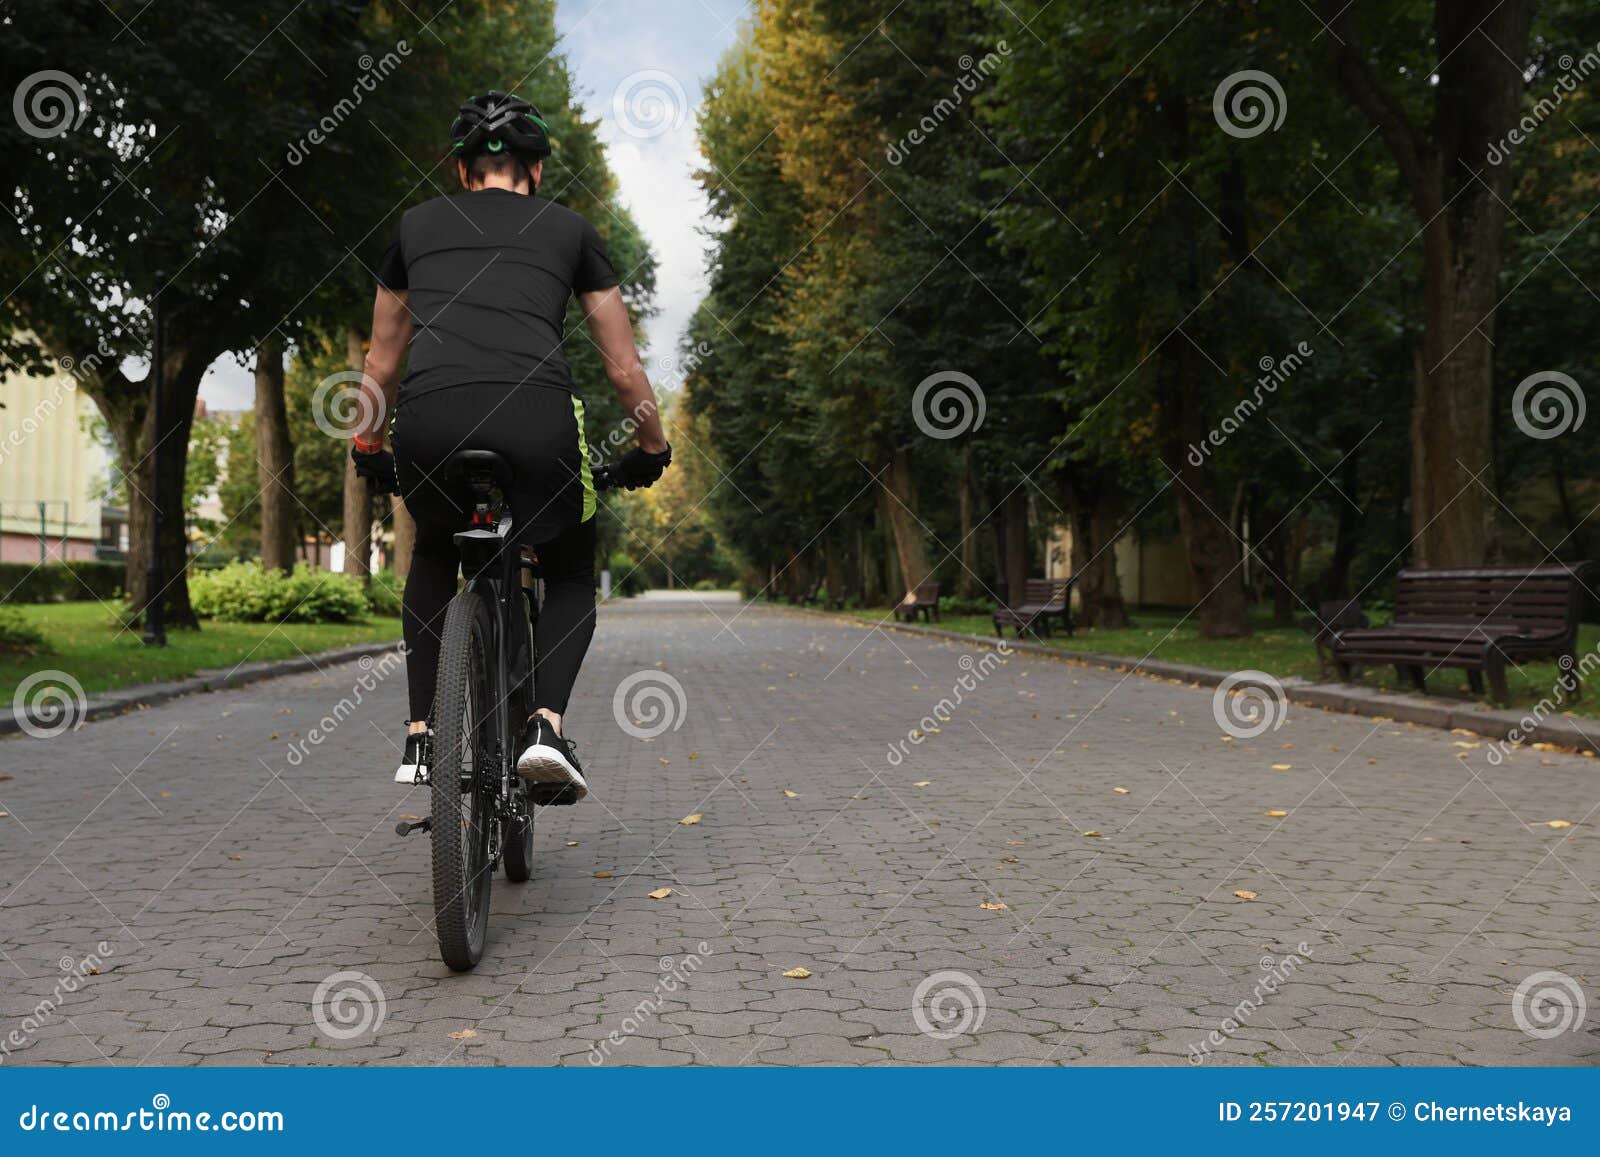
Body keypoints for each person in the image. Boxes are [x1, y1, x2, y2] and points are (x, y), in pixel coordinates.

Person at [348, 91, 670, 802]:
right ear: (538, 171)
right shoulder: (570, 231)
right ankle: (546, 728)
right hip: (537, 421)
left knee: (435, 545)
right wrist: (652, 445)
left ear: (464, 172)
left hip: (430, 422)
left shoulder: (413, 228)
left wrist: (370, 441)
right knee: (571, 562)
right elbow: (622, 368)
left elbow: (380, 363)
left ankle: (421, 733)